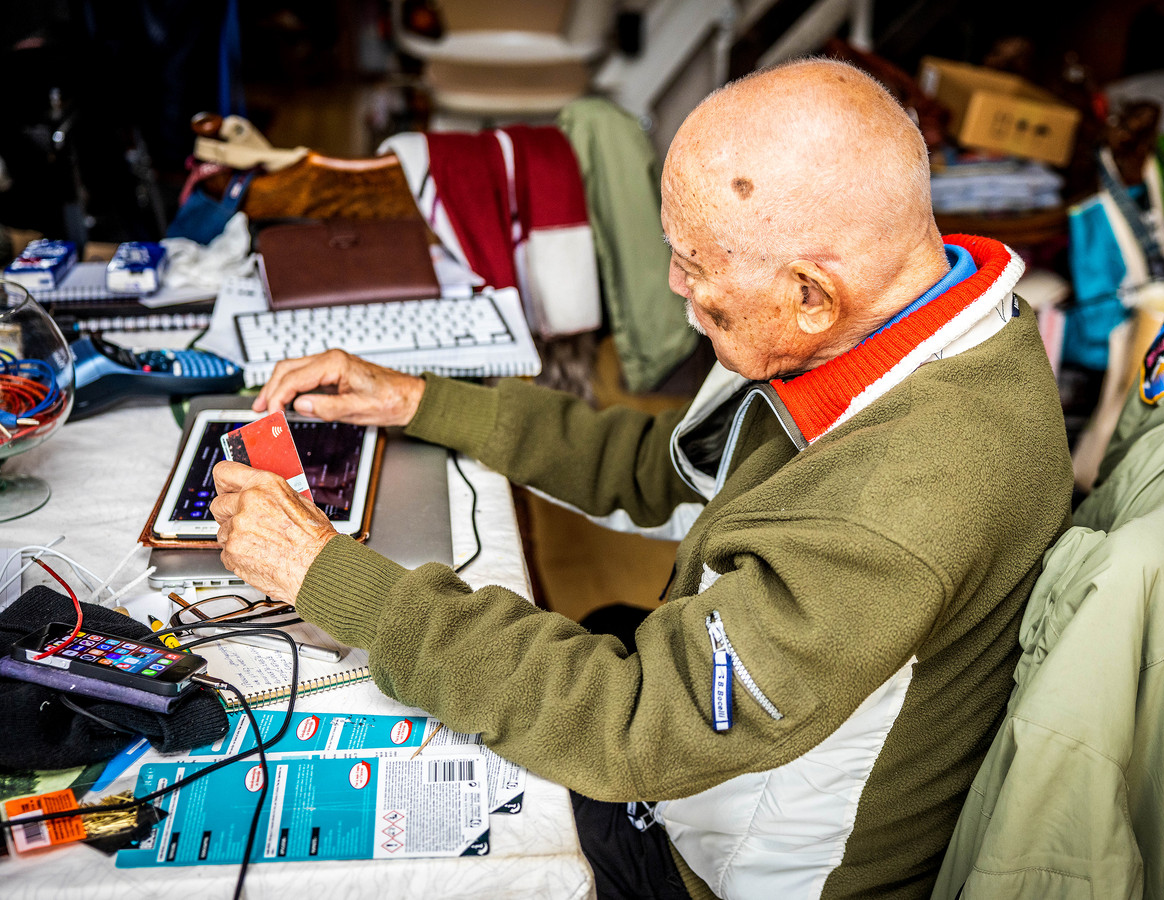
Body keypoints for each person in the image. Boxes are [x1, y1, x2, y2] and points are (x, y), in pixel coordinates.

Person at [211, 59, 1073, 900]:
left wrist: (333, 578)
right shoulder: (895, 319)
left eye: (694, 267)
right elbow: (661, 466)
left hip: (715, 868)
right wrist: (421, 401)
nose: (673, 286)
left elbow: (632, 727)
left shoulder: (903, 497)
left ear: (813, 293)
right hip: (708, 737)